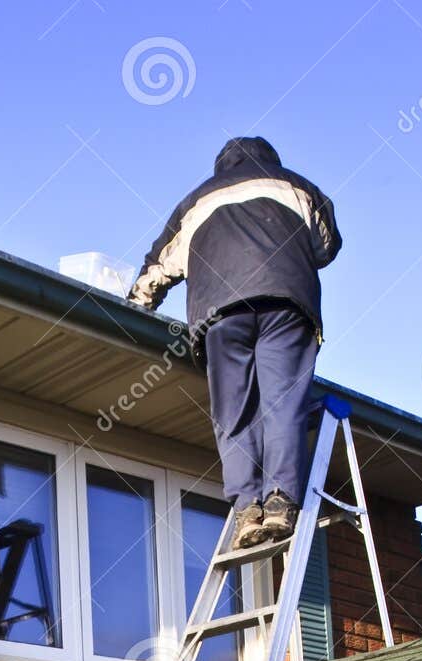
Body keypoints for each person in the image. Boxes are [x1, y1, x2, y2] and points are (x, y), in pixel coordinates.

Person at [128, 137, 341, 550]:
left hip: (221, 313)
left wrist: (137, 307)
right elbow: (327, 245)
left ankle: (247, 509)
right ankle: (280, 502)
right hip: (286, 305)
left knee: (234, 411)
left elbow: (159, 267)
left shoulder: (198, 201)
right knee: (282, 405)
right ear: (270, 160)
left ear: (222, 166)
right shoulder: (298, 187)